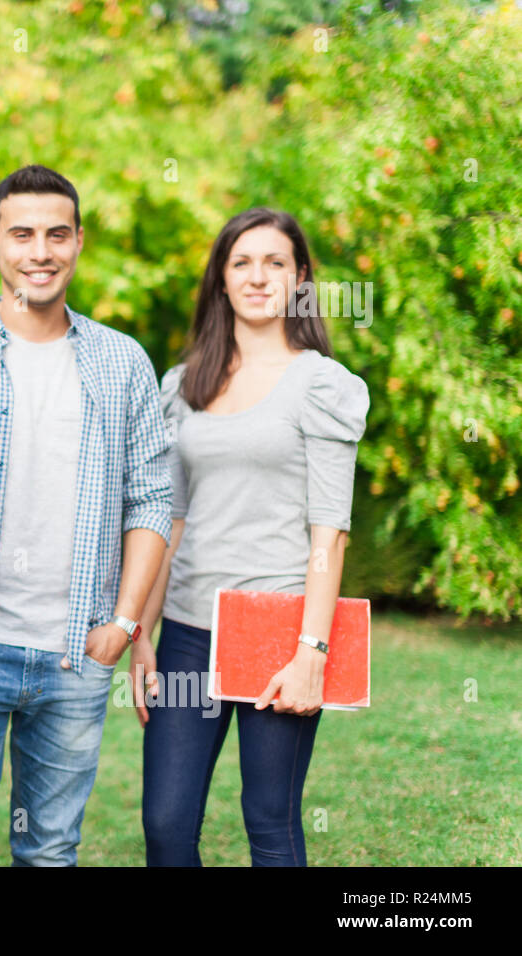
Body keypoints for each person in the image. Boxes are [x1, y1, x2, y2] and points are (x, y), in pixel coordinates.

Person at [0, 164, 173, 867]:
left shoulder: (122, 363)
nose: (41, 251)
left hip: (75, 656)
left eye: (57, 234)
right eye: (22, 233)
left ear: (79, 242)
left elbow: (151, 496)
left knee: (51, 851)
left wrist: (124, 623)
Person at [133, 207, 370, 866]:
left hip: (280, 628)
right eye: (242, 262)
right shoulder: (184, 385)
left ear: (299, 278)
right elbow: (171, 518)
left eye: (275, 262)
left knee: (268, 820)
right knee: (166, 823)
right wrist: (144, 634)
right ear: (221, 279)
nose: (257, 276)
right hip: (185, 631)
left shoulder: (319, 384)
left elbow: (331, 530)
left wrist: (312, 653)